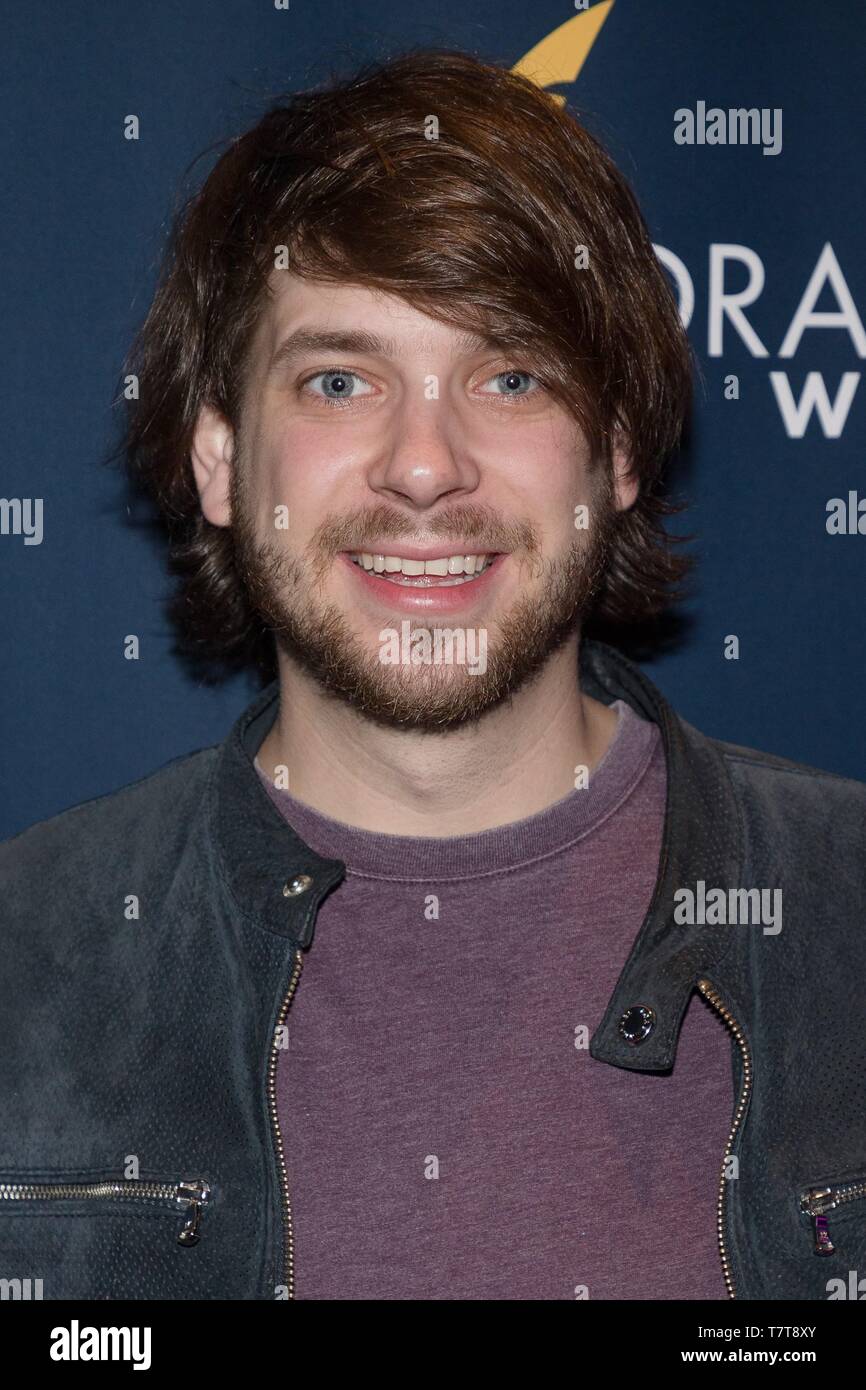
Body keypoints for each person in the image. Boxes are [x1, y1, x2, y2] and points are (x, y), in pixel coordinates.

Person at [1, 48, 864, 1302]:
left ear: (615, 453)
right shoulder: (28, 955)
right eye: (339, 380)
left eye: (507, 375)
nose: (423, 465)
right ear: (217, 460)